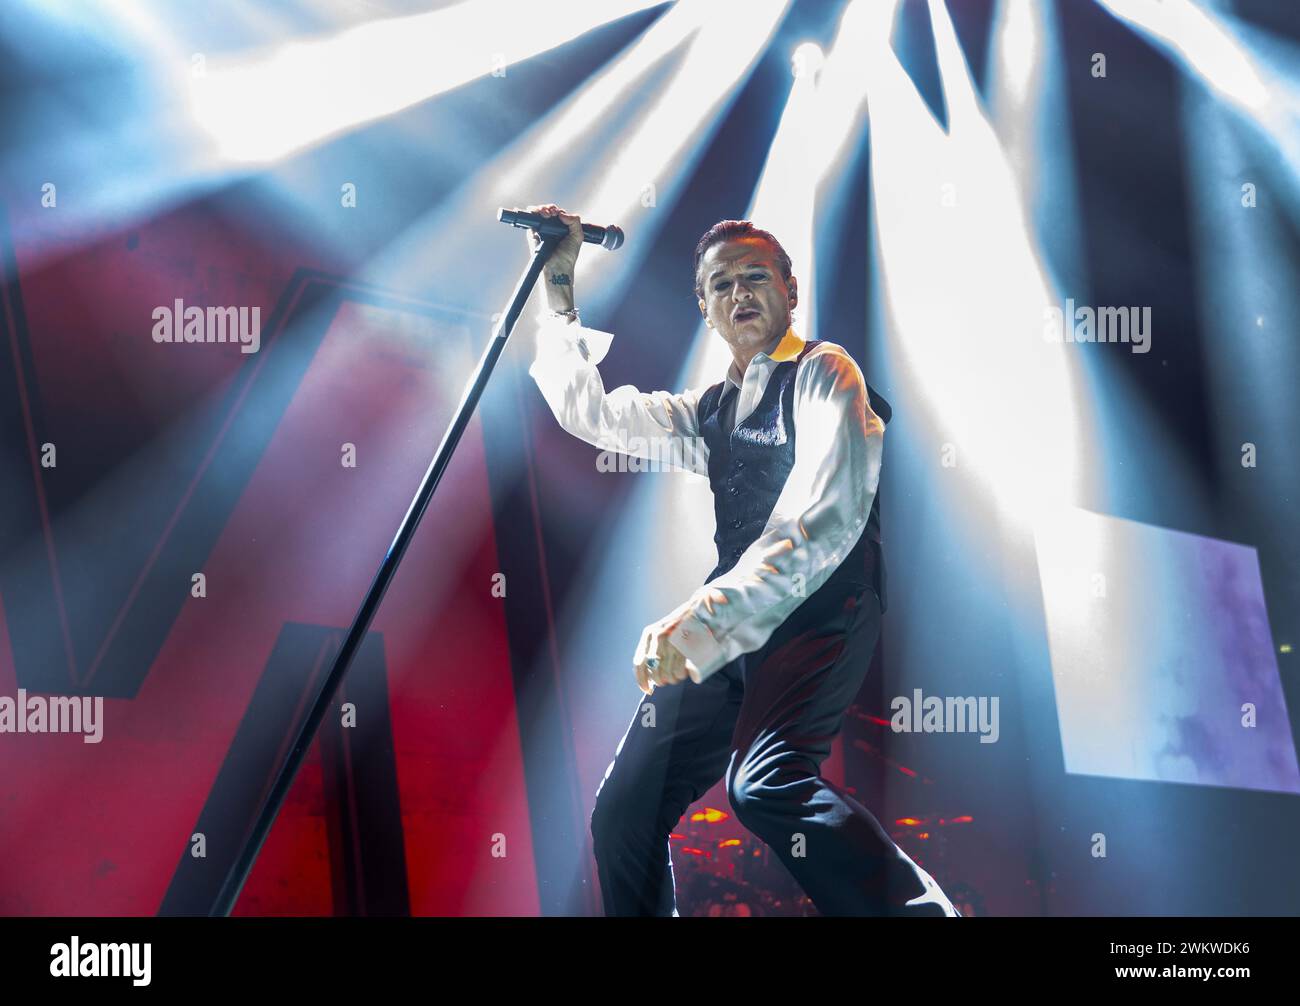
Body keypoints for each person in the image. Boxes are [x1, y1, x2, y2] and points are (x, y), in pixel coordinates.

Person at [522, 204, 960, 917]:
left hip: (823, 609)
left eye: (757, 277)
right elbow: (592, 415)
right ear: (705, 308)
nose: (740, 294)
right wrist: (560, 284)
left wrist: (701, 621)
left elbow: (819, 523)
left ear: (791, 290)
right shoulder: (710, 411)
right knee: (623, 814)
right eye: (721, 286)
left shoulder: (825, 374)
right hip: (730, 625)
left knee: (766, 784)